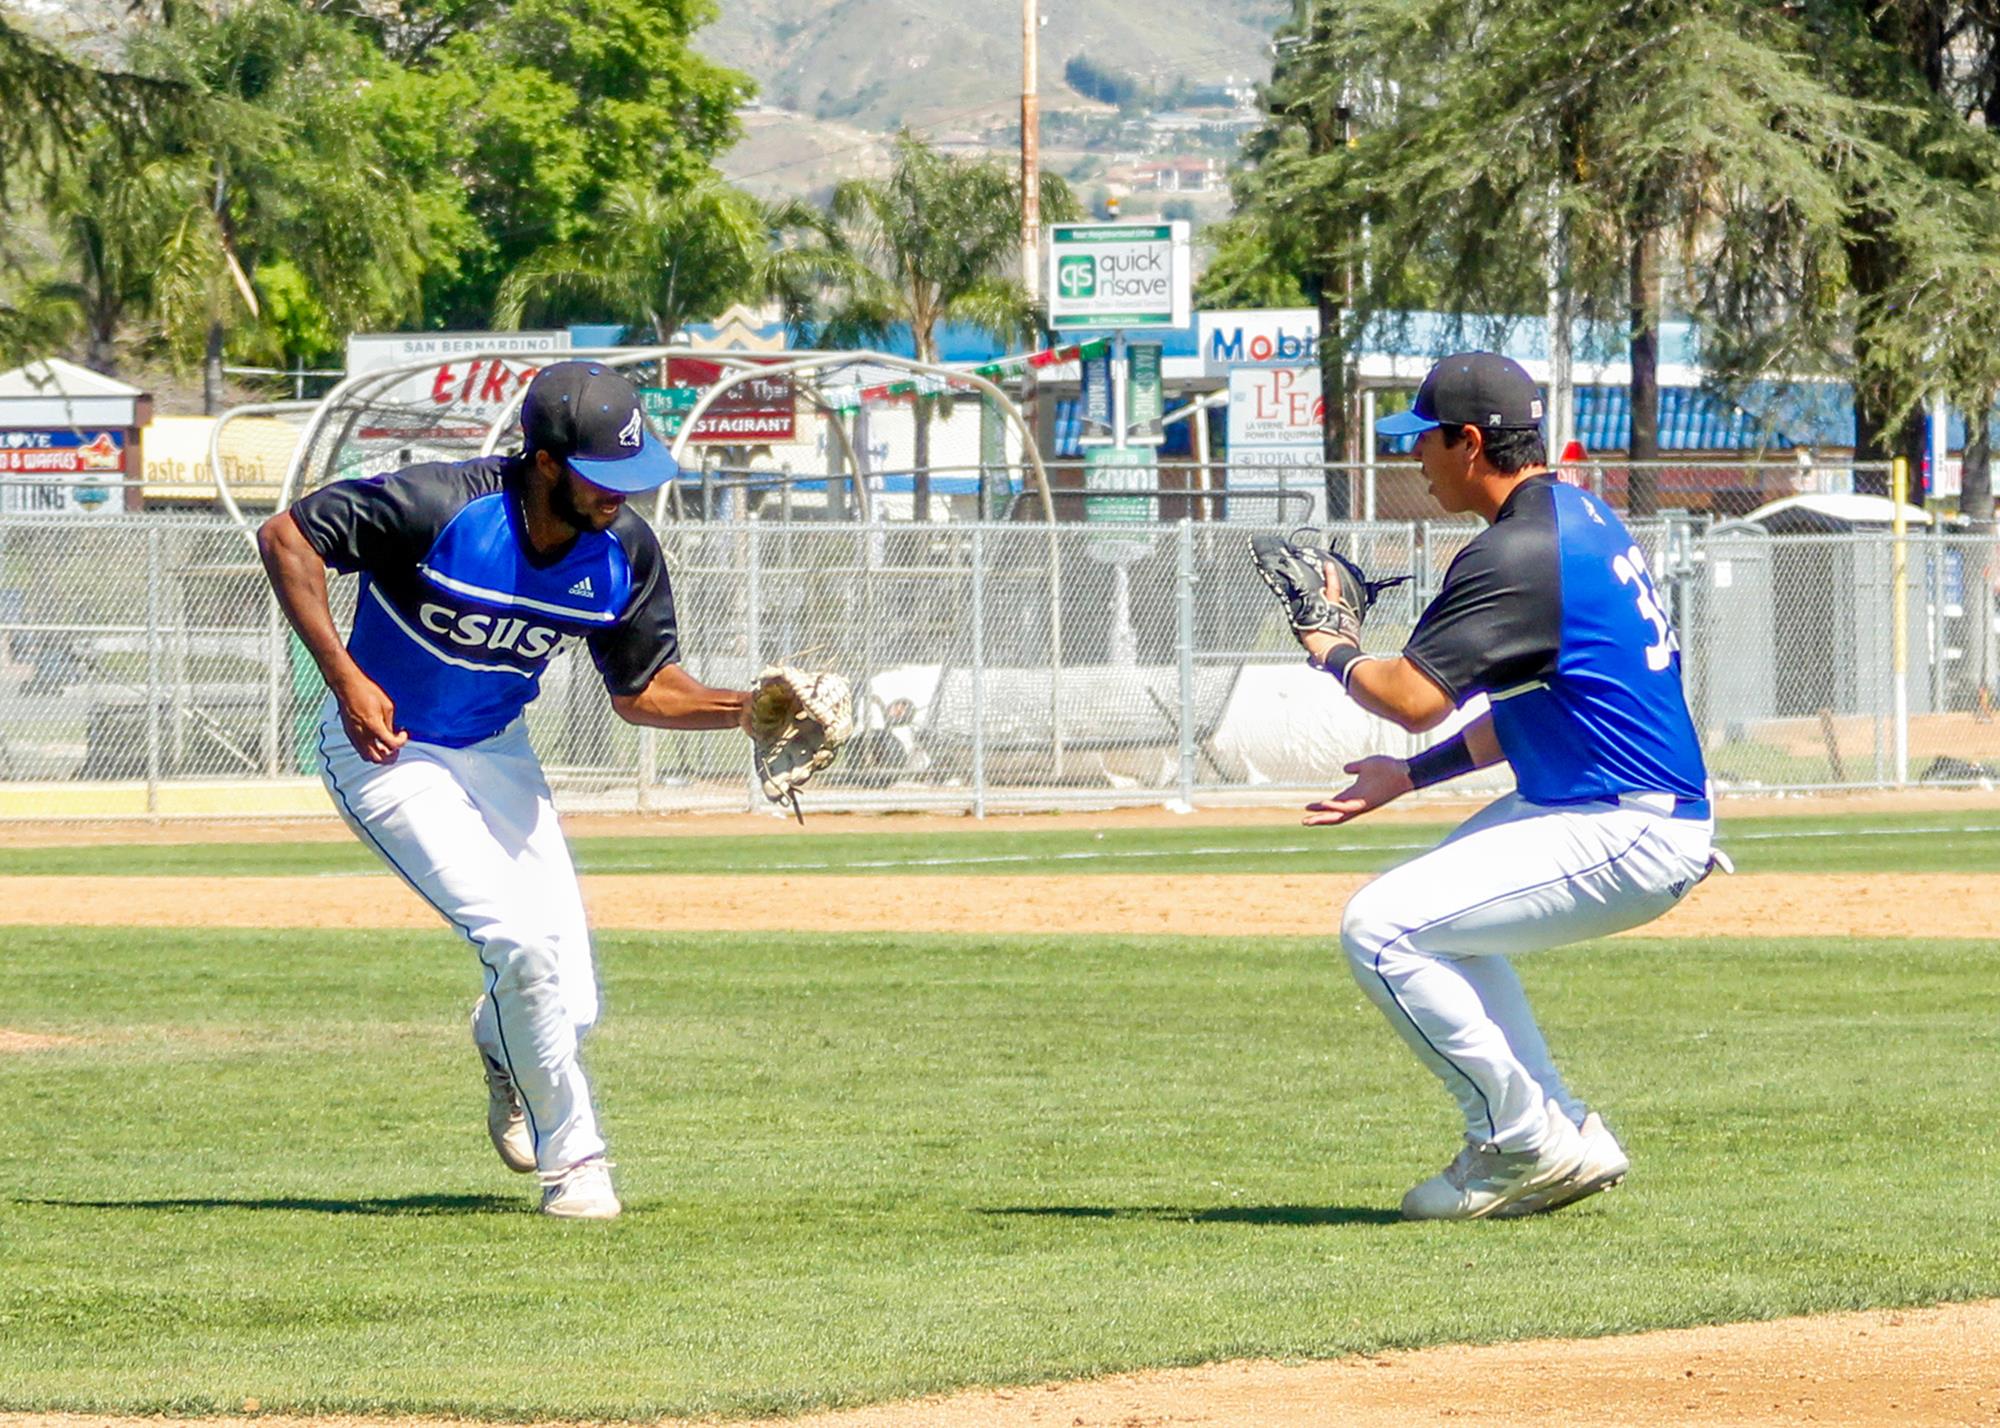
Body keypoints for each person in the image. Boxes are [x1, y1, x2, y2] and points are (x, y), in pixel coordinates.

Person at [258, 360, 755, 1221]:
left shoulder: (624, 550)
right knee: (519, 946)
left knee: (572, 1002)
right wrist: (343, 676)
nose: (620, 493)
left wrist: (747, 710)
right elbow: (286, 538)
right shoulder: (438, 505)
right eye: (602, 474)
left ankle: (500, 1045)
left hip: (498, 753)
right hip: (390, 751)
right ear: (546, 461)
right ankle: (578, 1165)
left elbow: (643, 690)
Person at [1301, 352, 1722, 1221]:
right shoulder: (1576, 516)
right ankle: (1562, 1129)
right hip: (1602, 804)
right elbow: (1533, 702)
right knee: (1438, 932)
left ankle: (1520, 1139)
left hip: (1624, 822)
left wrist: (1331, 646)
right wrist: (1411, 777)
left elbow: (1411, 698)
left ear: (1469, 441)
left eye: (1424, 438)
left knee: (1380, 929)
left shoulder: (1517, 553)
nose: (1414, 457)